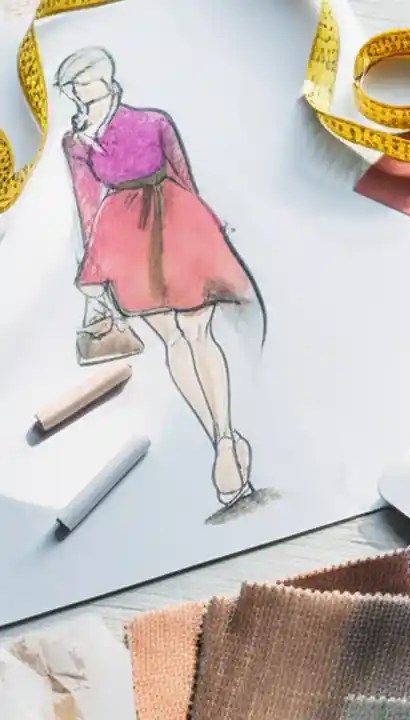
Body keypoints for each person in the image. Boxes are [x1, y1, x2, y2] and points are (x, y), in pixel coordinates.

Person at [57, 47, 263, 510]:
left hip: (175, 221)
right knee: (174, 340)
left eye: (83, 80)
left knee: (197, 331)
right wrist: (93, 269)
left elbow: (182, 175)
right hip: (124, 237)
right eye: (71, 85)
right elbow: (86, 202)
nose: (76, 91)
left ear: (106, 78)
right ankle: (224, 443)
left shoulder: (151, 121)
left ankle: (226, 440)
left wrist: (207, 226)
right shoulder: (76, 142)